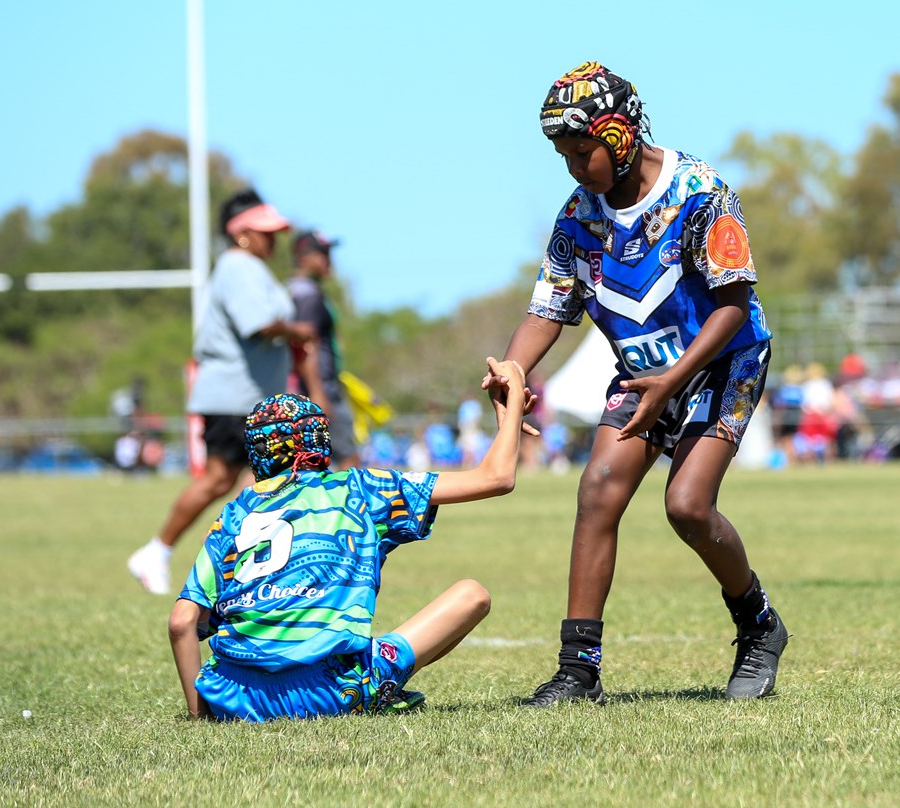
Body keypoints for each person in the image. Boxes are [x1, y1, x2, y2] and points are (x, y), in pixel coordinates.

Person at [486, 62, 788, 705]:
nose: (574, 168)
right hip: (643, 372)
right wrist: (513, 369)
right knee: (597, 490)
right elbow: (548, 310)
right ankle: (578, 672)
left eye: (583, 152)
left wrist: (673, 381)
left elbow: (735, 304)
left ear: (619, 135)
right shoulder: (577, 219)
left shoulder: (701, 192)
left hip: (724, 359)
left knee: (687, 506)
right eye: (563, 157)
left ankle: (760, 625)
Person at [167, 356, 528, 722]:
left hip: (236, 696)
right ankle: (380, 688)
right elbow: (496, 478)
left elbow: (182, 622)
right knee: (471, 595)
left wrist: (201, 717)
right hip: (332, 690)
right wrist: (512, 403)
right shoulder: (359, 488)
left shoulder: (235, 513)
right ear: (320, 439)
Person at [128, 188, 315, 595]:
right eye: (265, 232)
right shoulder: (238, 267)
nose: (273, 240)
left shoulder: (251, 268)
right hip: (234, 397)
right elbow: (259, 323)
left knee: (252, 480)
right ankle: (163, 552)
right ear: (241, 233)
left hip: (246, 396)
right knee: (225, 479)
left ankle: (214, 555)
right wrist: (299, 331)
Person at [287, 229, 360, 470]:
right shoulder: (307, 295)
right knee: (349, 462)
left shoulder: (300, 290)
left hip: (313, 388)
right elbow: (305, 344)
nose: (328, 260)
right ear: (303, 257)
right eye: (322, 254)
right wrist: (318, 393)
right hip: (320, 388)